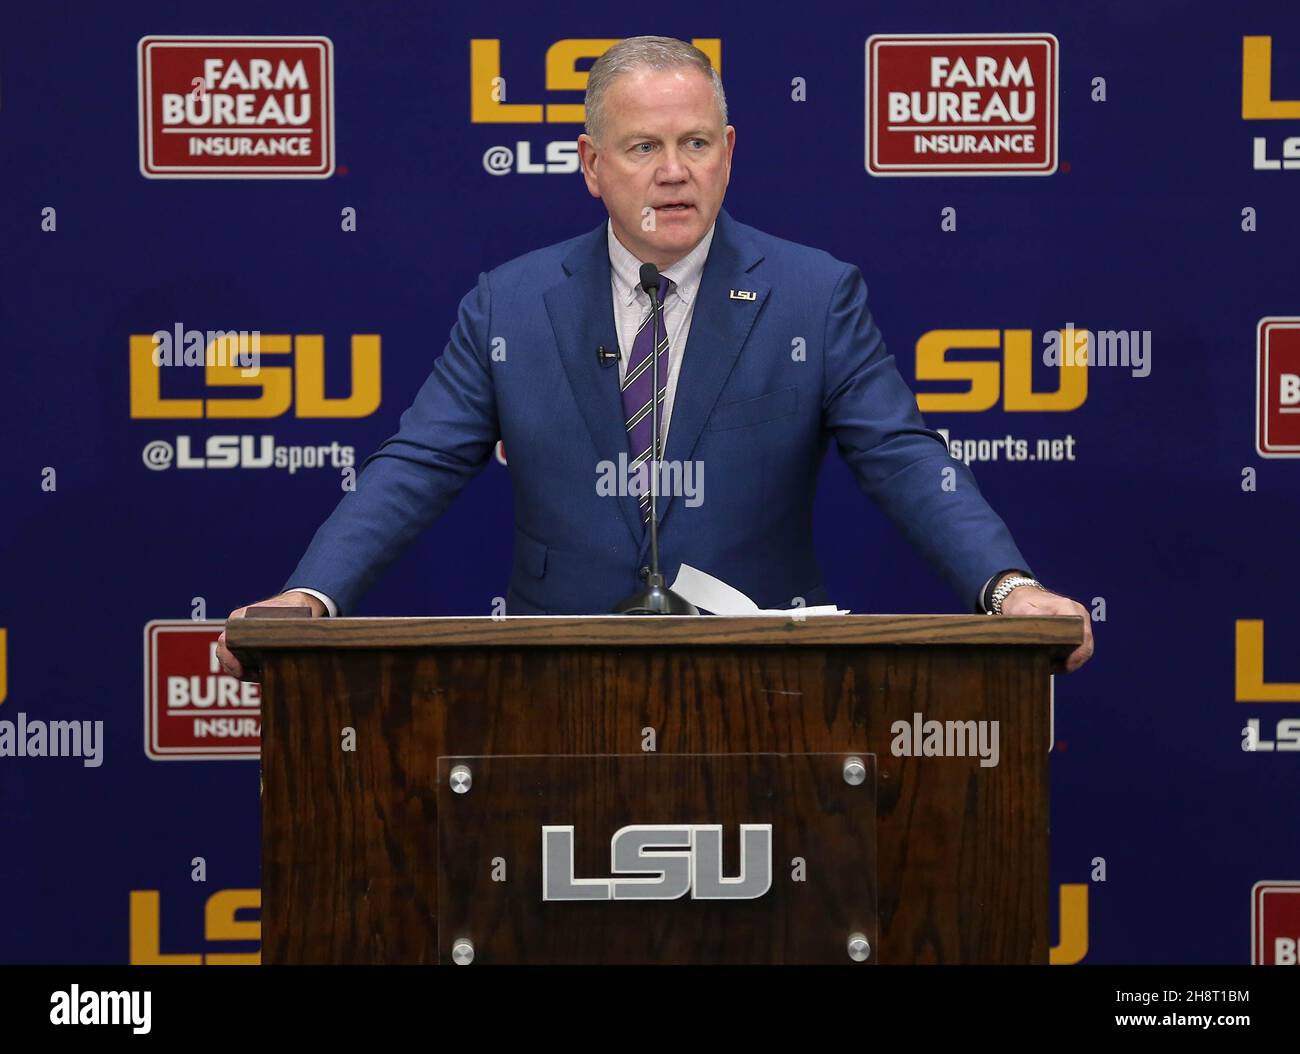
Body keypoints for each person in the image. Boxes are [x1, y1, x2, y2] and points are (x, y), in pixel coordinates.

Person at [217, 35, 1094, 678]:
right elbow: (416, 463)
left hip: (763, 676)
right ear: (591, 165)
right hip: (556, 677)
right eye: (644, 147)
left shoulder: (815, 296)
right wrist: (310, 597)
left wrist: (1006, 588)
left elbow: (905, 458)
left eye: (696, 143)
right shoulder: (508, 304)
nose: (674, 172)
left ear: (728, 153)